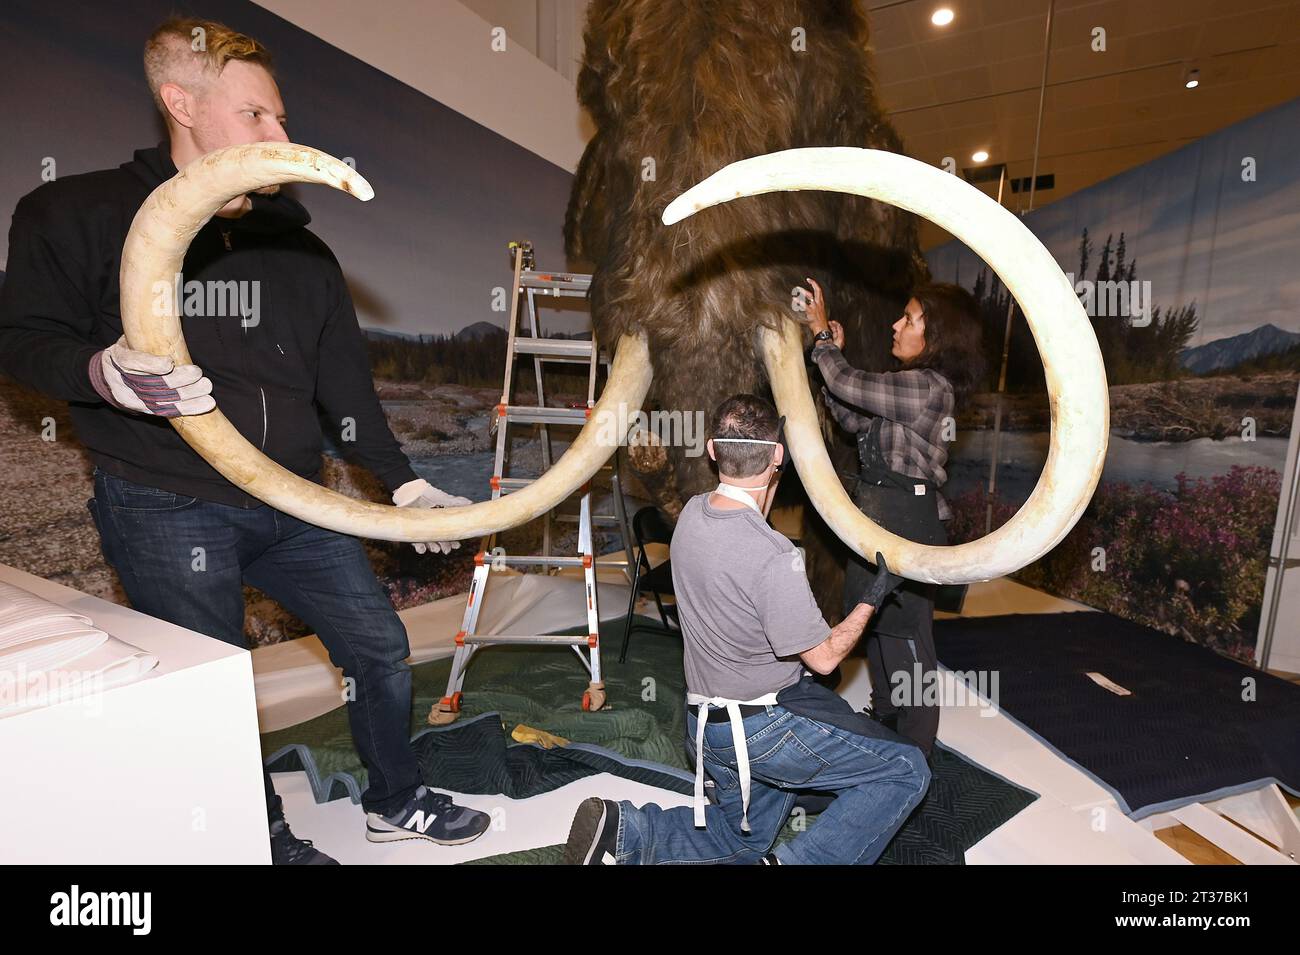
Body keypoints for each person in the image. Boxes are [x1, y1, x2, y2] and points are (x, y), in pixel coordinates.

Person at [0, 16, 490, 863]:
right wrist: (99, 371)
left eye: (281, 118)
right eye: (256, 116)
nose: (280, 137)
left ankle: (394, 798)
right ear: (180, 102)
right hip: (163, 501)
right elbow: (21, 339)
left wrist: (404, 484)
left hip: (293, 496)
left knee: (377, 643)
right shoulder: (72, 211)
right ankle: (255, 835)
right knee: (217, 679)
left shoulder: (299, 247)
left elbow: (346, 390)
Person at [562, 395, 930, 864]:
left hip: (704, 729)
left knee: (739, 839)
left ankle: (623, 829)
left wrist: (769, 474)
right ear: (777, 456)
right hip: (764, 733)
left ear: (712, 450)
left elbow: (742, 539)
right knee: (905, 768)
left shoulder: (692, 515)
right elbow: (824, 659)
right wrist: (870, 600)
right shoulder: (775, 555)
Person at [796, 278, 985, 758]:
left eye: (910, 319)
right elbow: (852, 415)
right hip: (879, 517)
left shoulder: (928, 387)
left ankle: (916, 752)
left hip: (907, 521)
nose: (896, 326)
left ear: (936, 335)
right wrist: (831, 359)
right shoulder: (907, 387)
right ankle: (885, 725)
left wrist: (822, 339)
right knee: (879, 628)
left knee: (909, 640)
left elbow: (847, 383)